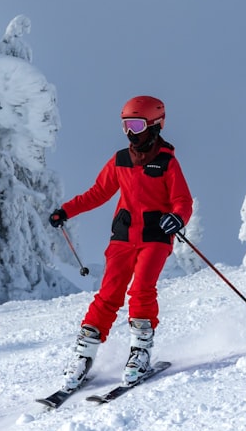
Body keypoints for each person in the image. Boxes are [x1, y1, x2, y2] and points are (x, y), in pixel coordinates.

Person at [49, 95, 194, 389]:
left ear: (154, 125)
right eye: (126, 125)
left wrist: (177, 219)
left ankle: (140, 352)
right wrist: (66, 210)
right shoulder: (121, 160)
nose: (130, 132)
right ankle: (83, 355)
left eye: (137, 124)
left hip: (154, 237)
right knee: (109, 294)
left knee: (141, 289)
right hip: (123, 237)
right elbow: (97, 193)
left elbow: (182, 201)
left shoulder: (166, 163)